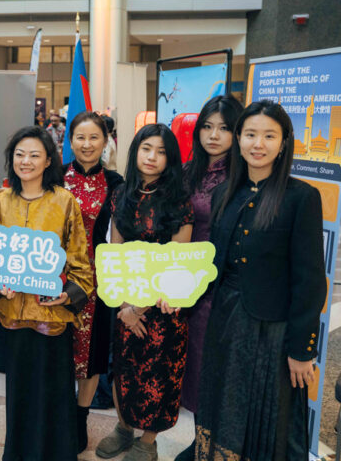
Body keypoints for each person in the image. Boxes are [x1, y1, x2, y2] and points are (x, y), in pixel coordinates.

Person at [195, 101, 326, 460]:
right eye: (251, 134)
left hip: (272, 331)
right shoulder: (224, 194)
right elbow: (211, 264)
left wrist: (303, 350)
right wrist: (178, 293)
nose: (258, 143)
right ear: (238, 139)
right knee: (222, 405)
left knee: (265, 416)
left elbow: (310, 281)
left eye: (270, 135)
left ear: (283, 143)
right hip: (224, 320)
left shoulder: (302, 198)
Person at [0, 126, 93, 461]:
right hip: (14, 316)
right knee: (18, 393)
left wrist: (68, 294)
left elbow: (81, 261)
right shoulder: (2, 200)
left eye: (35, 155)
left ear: (49, 160)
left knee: (53, 394)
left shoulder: (64, 201)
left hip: (51, 319)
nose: (26, 161)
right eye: (19, 154)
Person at [95, 123, 193, 461]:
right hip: (125, 304)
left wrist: (141, 306)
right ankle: (124, 428)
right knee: (124, 368)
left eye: (161, 151)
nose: (151, 157)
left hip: (164, 308)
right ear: (135, 151)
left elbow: (178, 262)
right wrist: (126, 306)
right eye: (146, 148)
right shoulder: (122, 194)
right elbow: (116, 254)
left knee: (158, 374)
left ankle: (147, 442)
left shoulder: (181, 199)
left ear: (171, 158)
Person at [174, 94, 243, 461]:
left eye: (224, 128)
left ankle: (220, 444)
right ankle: (202, 440)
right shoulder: (189, 171)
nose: (214, 135)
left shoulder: (243, 176)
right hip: (189, 286)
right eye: (207, 126)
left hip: (227, 288)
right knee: (197, 368)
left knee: (224, 372)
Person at [62, 112, 123, 453]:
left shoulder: (117, 182)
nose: (87, 144)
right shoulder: (53, 176)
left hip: (98, 283)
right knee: (58, 351)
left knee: (92, 354)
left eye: (94, 138)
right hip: (54, 278)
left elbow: (121, 234)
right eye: (80, 138)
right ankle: (58, 414)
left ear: (105, 142)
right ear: (70, 141)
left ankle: (80, 418)